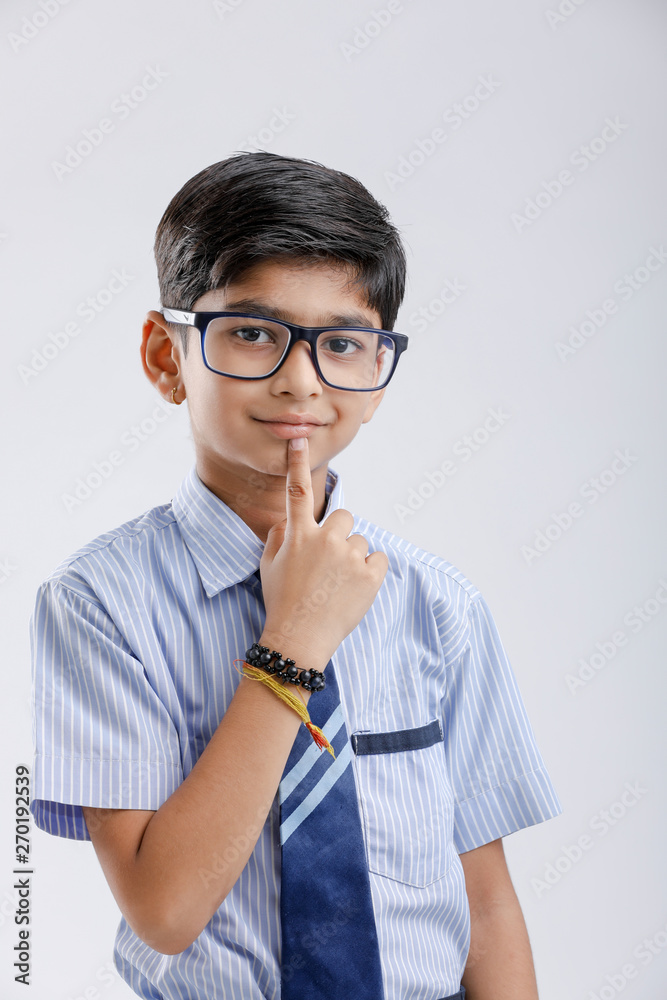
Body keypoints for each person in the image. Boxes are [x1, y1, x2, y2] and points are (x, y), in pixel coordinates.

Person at [30, 151, 562, 1000]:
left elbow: (487, 907)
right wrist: (295, 639)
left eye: (342, 344)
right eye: (251, 331)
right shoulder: (97, 605)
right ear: (166, 357)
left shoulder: (437, 605)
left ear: (377, 371)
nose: (299, 380)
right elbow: (164, 910)